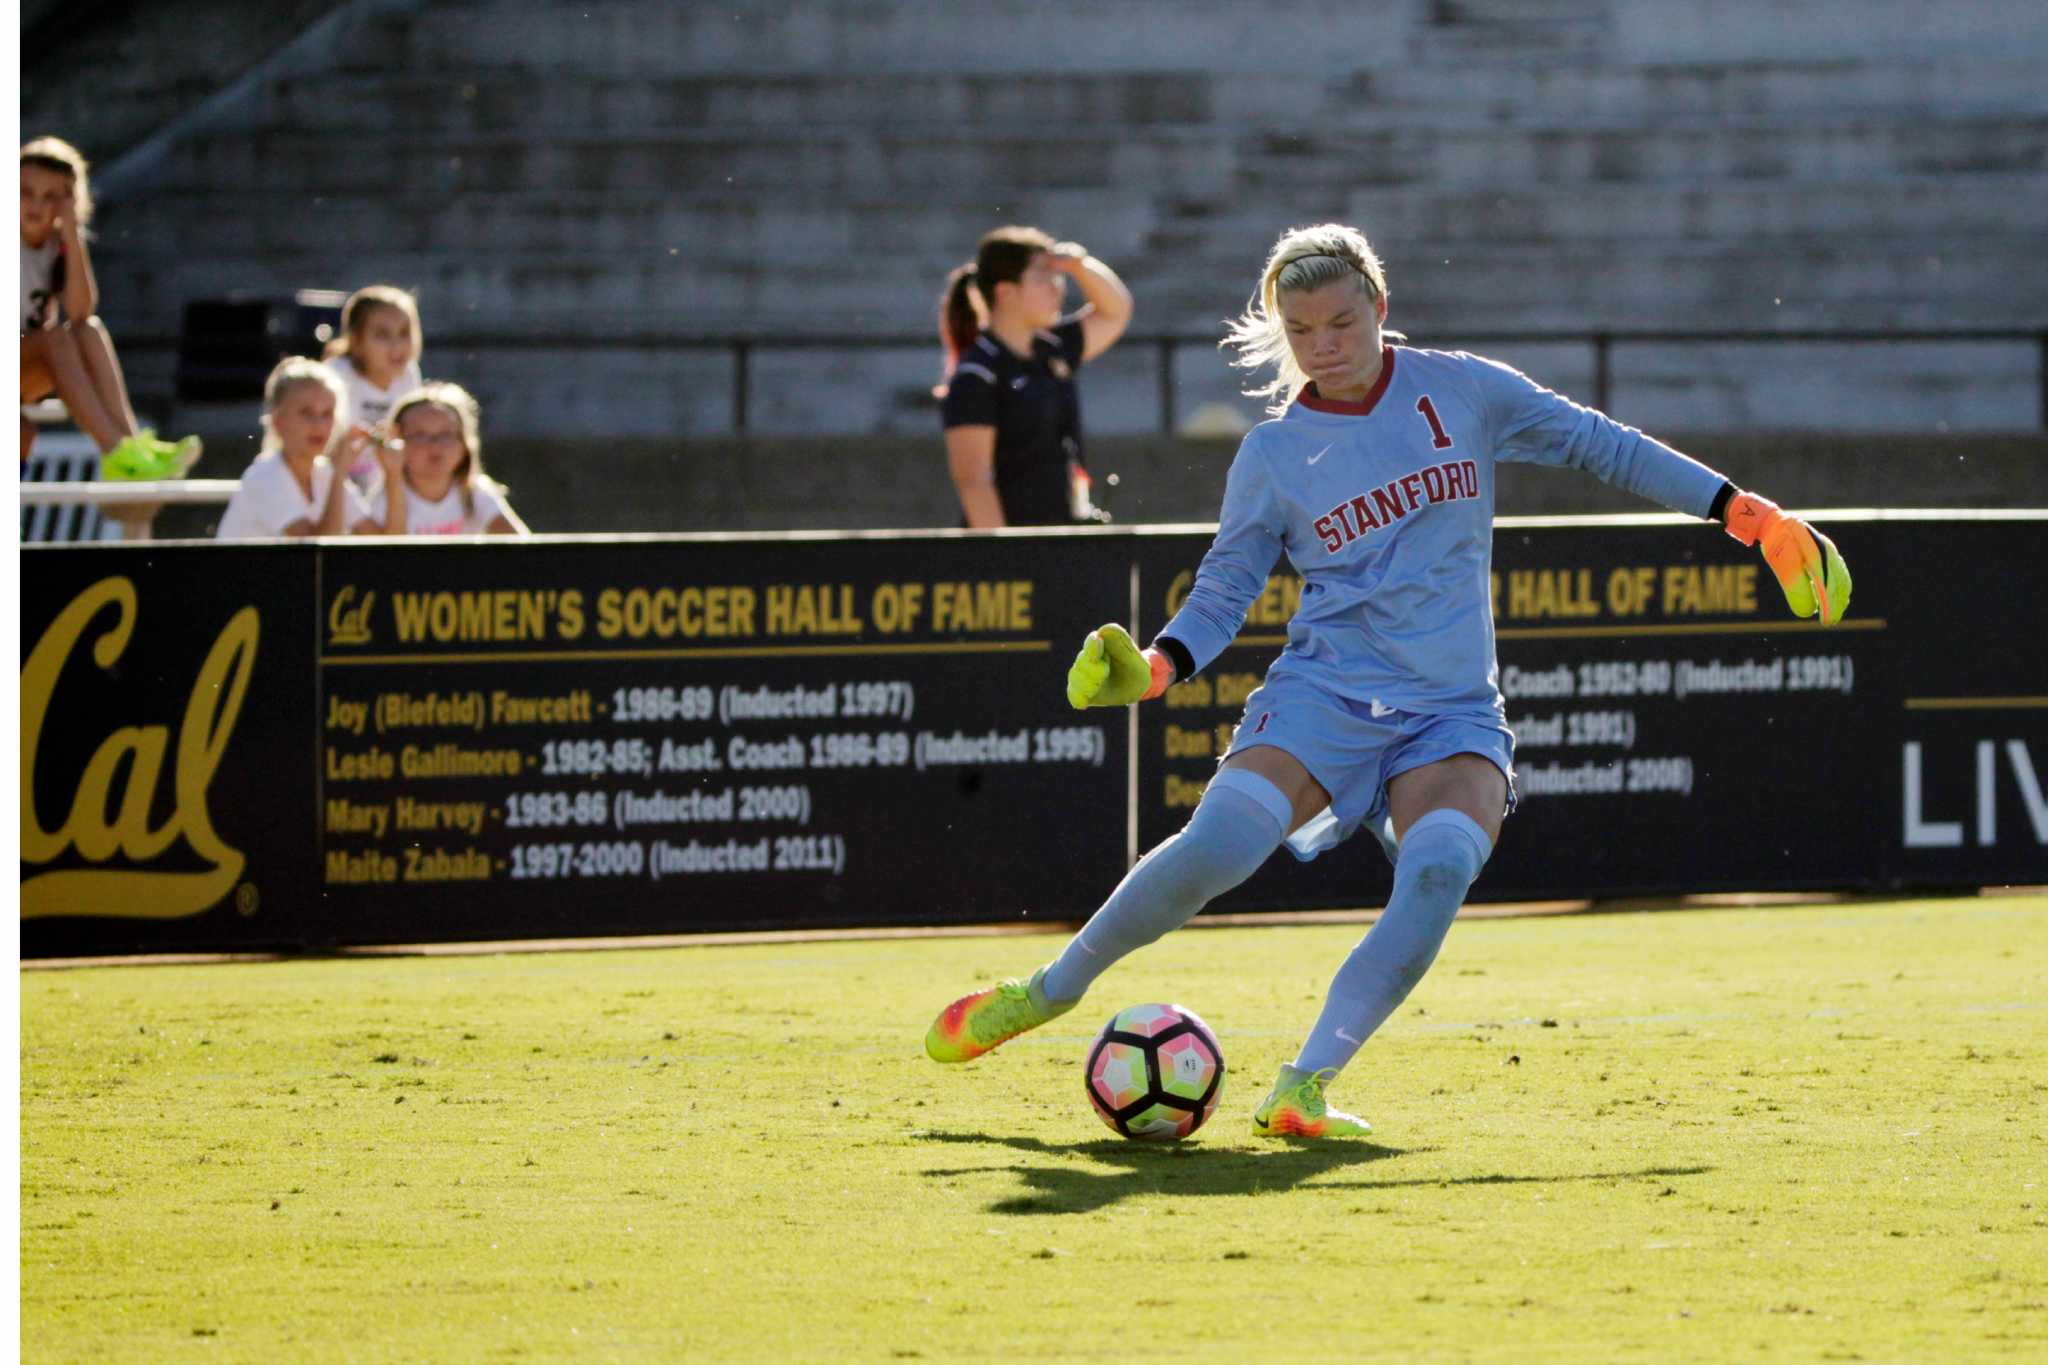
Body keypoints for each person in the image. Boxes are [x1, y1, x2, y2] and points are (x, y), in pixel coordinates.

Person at [924, 222, 1852, 1139]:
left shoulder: (1465, 390)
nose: (1322, 347)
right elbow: (1225, 590)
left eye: (1340, 323)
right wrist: (1159, 665)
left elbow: (1601, 444)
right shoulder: (1275, 455)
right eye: (1300, 332)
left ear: (1380, 307)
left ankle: (1304, 1083)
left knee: (1440, 865)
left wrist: (1746, 515)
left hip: (1450, 710)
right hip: (1324, 696)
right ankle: (1046, 991)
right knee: (1218, 847)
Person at [19, 136, 199, 476]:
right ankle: (116, 451)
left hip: (24, 368)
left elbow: (81, 312)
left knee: (89, 330)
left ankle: (132, 446)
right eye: (25, 193)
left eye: (50, 197)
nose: (36, 206)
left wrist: (72, 234)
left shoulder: (57, 246)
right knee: (52, 342)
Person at [937, 226, 1132, 527]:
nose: (1058, 287)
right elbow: (974, 482)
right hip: (1020, 552)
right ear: (1006, 292)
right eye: (1044, 277)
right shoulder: (977, 374)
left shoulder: (1052, 350)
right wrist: (1006, 559)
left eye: (1057, 277)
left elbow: (1116, 311)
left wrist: (1079, 266)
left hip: (1064, 537)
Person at [214, 357, 369, 538]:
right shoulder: (265, 476)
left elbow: (386, 540)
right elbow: (316, 553)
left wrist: (393, 473)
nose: (318, 425)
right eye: (306, 413)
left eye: (327, 414)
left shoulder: (325, 473)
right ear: (278, 421)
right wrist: (339, 474)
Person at [355, 381, 529, 535]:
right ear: (398, 442)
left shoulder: (474, 491)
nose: (435, 445)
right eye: (420, 435)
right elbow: (389, 553)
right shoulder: (385, 496)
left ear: (464, 444)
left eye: (445, 435)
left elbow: (521, 544)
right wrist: (393, 476)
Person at [323, 284, 425, 489]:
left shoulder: (408, 374)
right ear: (356, 341)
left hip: (384, 485)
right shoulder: (334, 377)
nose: (397, 345)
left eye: (404, 333)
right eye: (382, 335)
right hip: (332, 482)